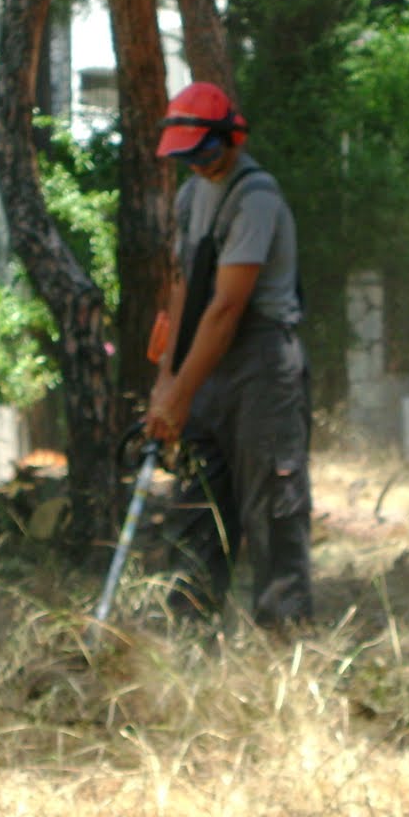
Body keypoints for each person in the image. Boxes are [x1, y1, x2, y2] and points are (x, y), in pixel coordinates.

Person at [144, 81, 313, 630]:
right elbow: (182, 290)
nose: (198, 164)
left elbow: (226, 307)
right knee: (197, 510)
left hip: (262, 371)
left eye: (206, 152)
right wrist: (166, 381)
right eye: (187, 155)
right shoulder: (193, 196)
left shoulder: (256, 197)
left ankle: (285, 651)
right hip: (204, 365)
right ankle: (186, 644)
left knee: (272, 514)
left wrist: (181, 392)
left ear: (230, 139)